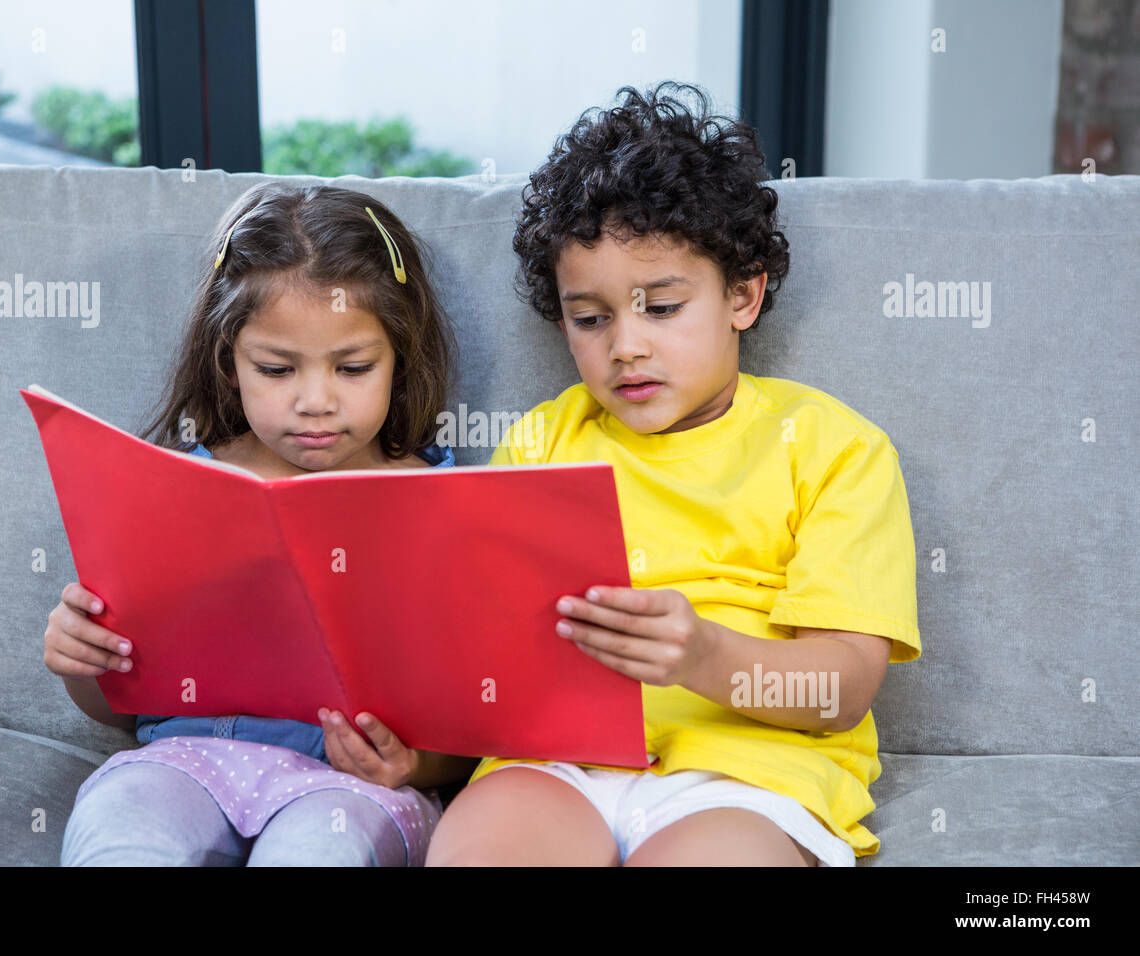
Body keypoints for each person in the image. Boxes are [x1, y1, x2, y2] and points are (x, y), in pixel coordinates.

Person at [427, 80, 922, 867]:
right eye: (591, 319)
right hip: (555, 764)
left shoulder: (833, 448)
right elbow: (479, 650)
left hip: (749, 774)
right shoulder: (542, 441)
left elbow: (839, 693)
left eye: (660, 307)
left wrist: (705, 658)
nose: (625, 346)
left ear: (743, 295)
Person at [49, 182, 479, 865]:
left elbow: (479, 718)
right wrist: (82, 661)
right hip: (184, 763)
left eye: (354, 366)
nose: (315, 401)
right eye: (277, 369)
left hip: (349, 789)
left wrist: (415, 767)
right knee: (120, 833)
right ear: (230, 362)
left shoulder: (443, 501)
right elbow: (120, 709)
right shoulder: (171, 491)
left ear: (400, 360)